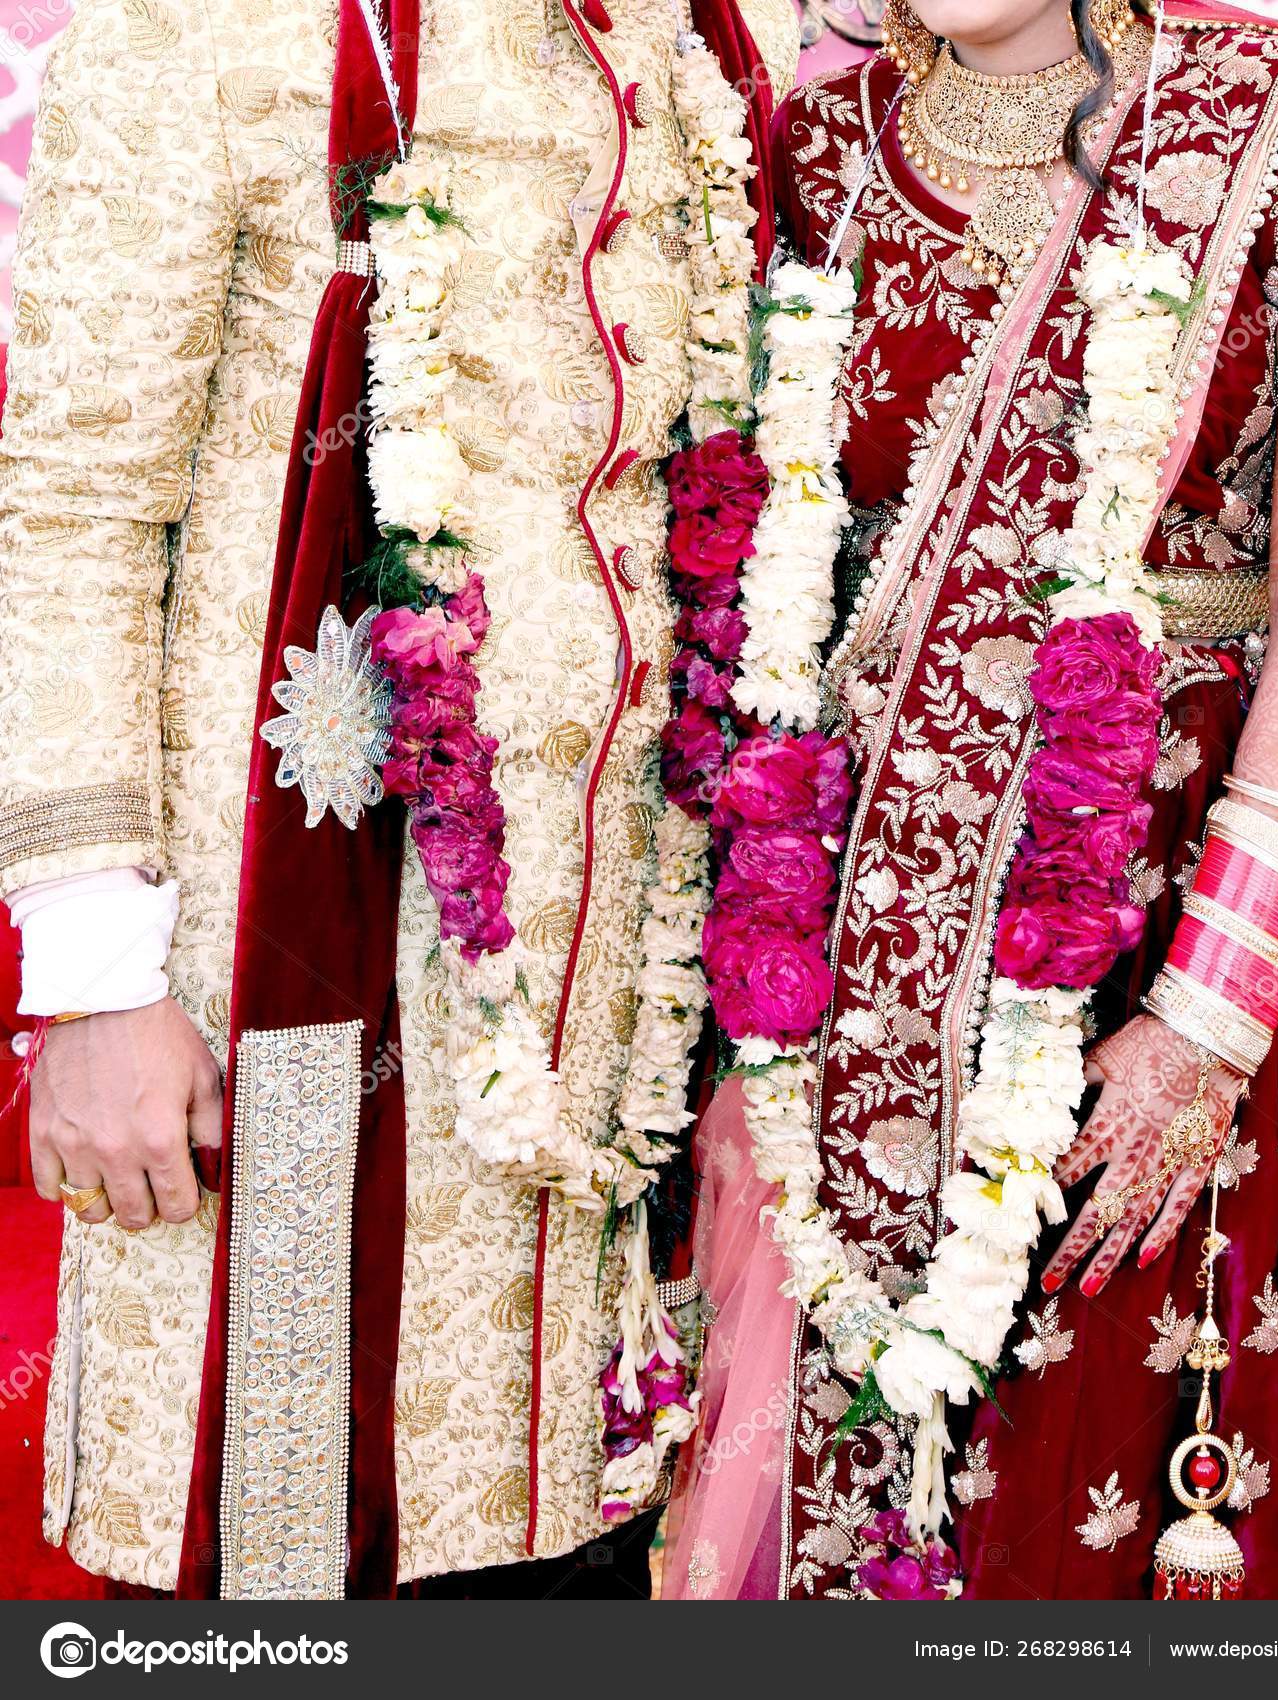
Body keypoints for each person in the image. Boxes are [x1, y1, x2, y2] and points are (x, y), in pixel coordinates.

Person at [0, 0, 798, 1600]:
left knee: (566, 1550)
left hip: (609, 1033)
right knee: (284, 1539)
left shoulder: (704, 38)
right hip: (285, 979)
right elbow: (73, 505)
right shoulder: (194, 28)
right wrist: (90, 985)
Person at [663, 0, 1278, 1599]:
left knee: (1108, 1477)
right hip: (851, 956)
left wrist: (1208, 1013)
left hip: (1156, 926)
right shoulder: (817, 151)